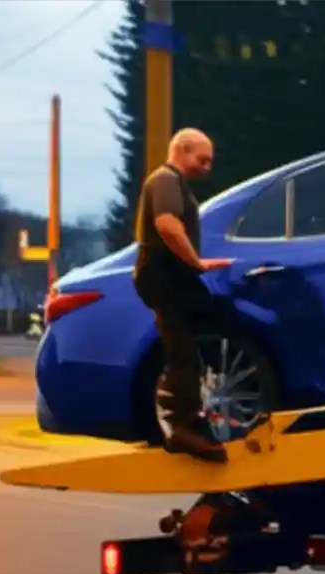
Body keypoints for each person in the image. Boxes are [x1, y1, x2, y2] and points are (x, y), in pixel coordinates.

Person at [132, 128, 231, 463]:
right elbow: (167, 224)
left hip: (171, 273)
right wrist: (195, 262)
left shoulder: (174, 183)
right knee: (182, 347)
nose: (207, 168)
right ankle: (182, 426)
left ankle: (189, 415)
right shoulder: (165, 180)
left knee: (192, 342)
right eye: (203, 160)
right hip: (164, 273)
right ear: (183, 149)